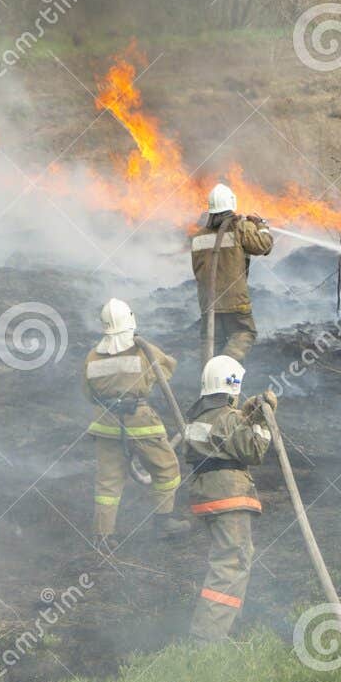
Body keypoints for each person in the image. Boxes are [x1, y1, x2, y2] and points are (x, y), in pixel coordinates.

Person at [183, 354, 278, 642]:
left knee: (234, 558)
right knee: (231, 562)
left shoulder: (198, 417)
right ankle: (207, 639)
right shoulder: (228, 418)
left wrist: (246, 418)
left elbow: (223, 440)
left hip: (207, 493)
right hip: (228, 495)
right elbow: (254, 452)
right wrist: (260, 422)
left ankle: (223, 625)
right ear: (232, 387)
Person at [84, 298, 186, 552]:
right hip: (140, 422)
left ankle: (103, 537)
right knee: (167, 469)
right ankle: (163, 522)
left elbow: (87, 393)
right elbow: (167, 370)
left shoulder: (92, 356)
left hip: (105, 423)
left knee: (107, 483)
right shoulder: (142, 349)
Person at [190, 182, 272, 362]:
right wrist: (262, 225)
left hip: (208, 302)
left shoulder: (198, 237)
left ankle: (209, 381)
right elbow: (264, 246)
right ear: (231, 204)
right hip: (235, 301)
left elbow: (198, 271)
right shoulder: (240, 227)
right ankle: (226, 368)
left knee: (211, 342)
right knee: (244, 333)